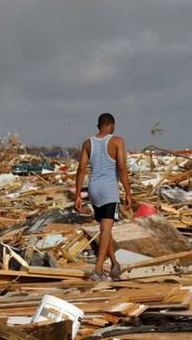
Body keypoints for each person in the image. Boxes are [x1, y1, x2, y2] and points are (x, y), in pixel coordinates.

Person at [75, 112, 132, 281]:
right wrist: (128, 191)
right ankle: (98, 269)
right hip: (108, 190)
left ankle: (114, 264)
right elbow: (121, 167)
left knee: (105, 228)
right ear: (111, 125)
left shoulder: (88, 143)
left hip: (94, 189)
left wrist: (78, 194)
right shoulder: (117, 141)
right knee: (106, 228)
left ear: (98, 125)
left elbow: (81, 169)